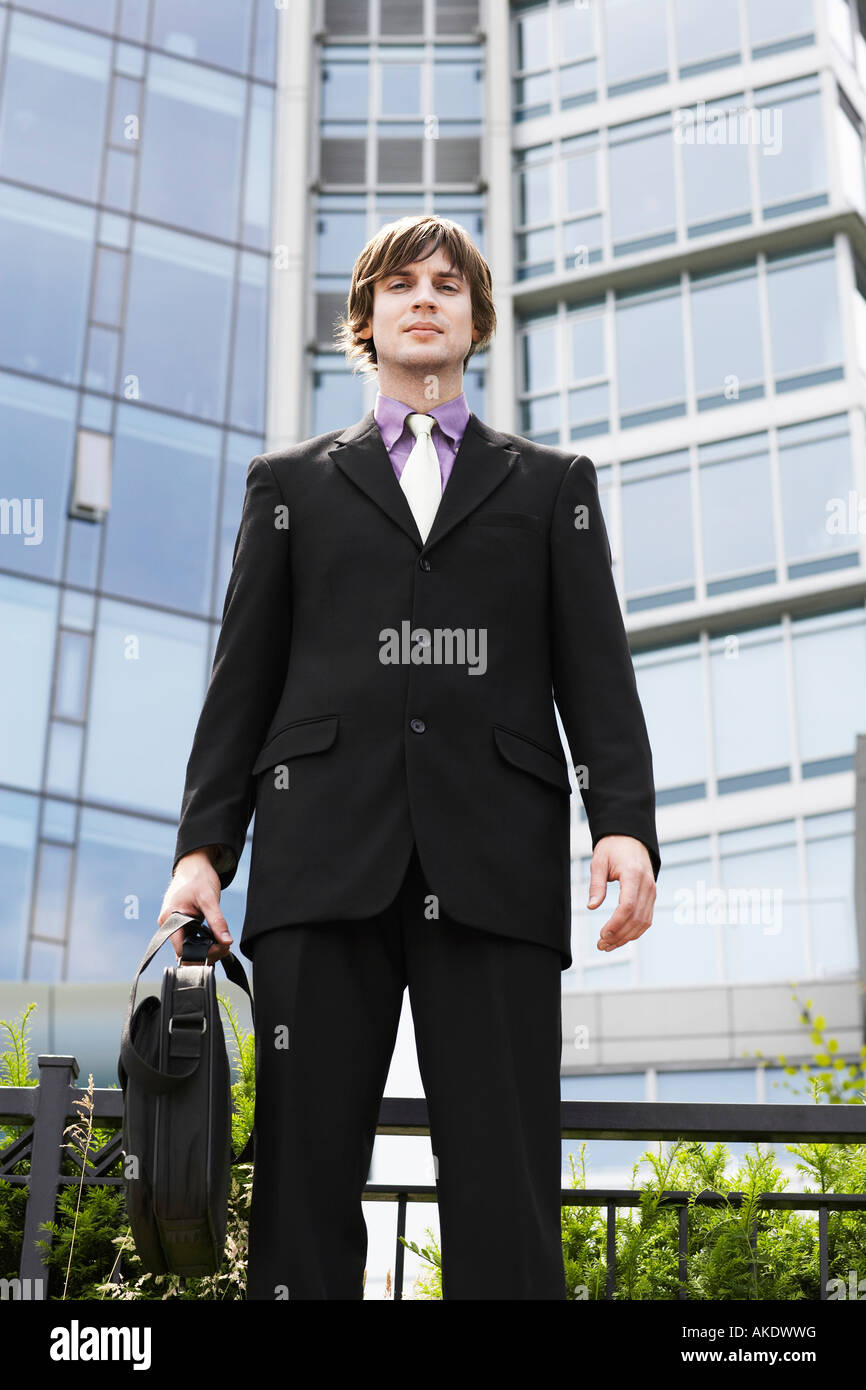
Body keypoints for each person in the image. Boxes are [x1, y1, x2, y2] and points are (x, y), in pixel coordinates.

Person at [158, 214, 660, 1300]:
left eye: (445, 283)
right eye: (398, 284)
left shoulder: (549, 484)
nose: (422, 297)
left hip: (496, 867)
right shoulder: (288, 484)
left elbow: (596, 673)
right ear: (367, 320)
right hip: (320, 862)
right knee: (300, 1176)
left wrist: (620, 822)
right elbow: (240, 681)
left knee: (504, 1181)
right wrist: (205, 849)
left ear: (474, 321)